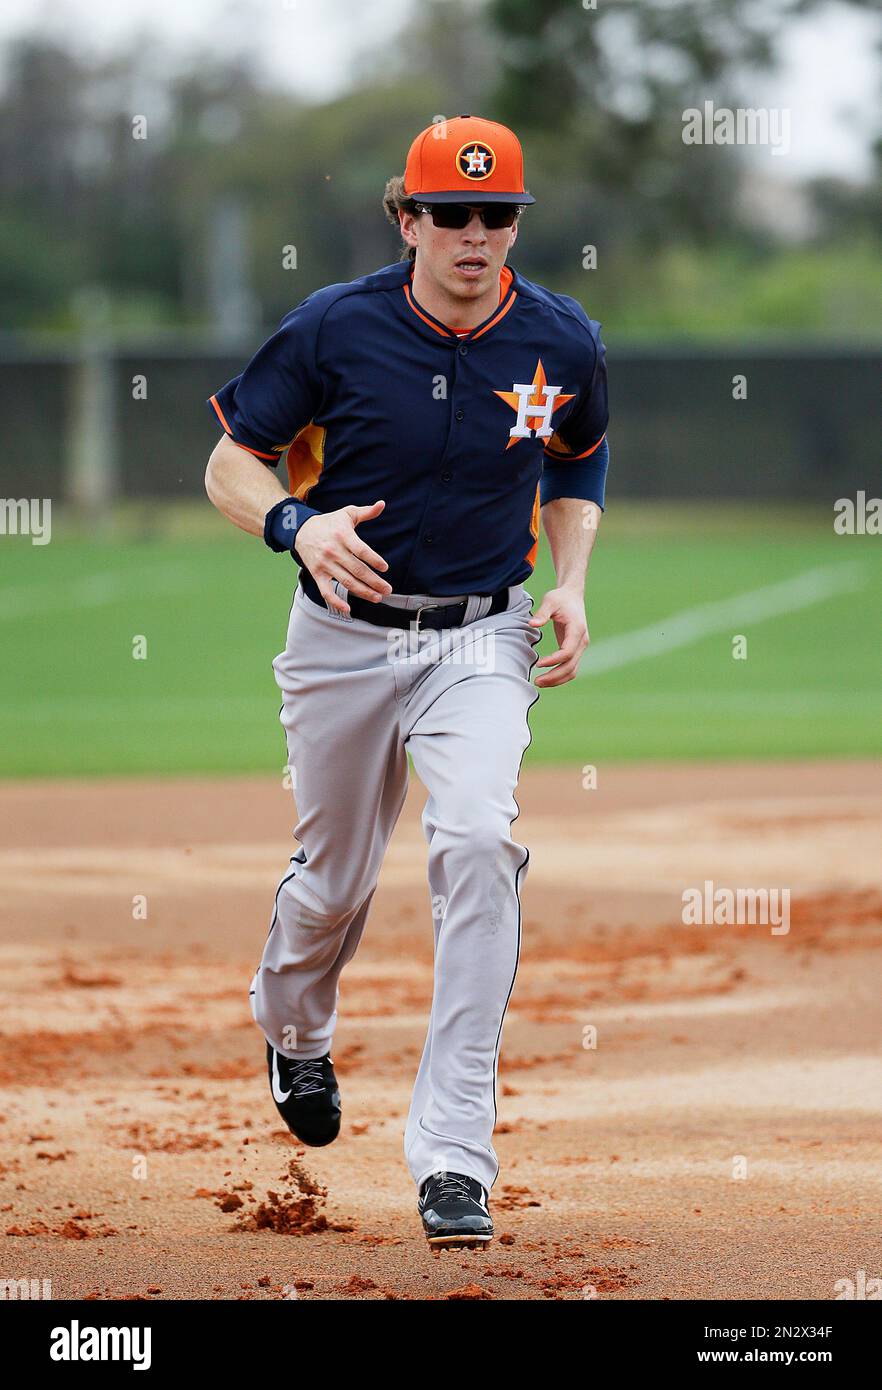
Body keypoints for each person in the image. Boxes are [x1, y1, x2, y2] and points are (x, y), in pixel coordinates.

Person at [204, 115, 609, 1250]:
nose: (476, 234)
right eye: (451, 213)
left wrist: (570, 579)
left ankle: (454, 1160)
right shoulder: (338, 328)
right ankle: (292, 1027)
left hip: (481, 637)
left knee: (476, 839)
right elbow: (229, 459)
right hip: (341, 637)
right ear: (407, 218)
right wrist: (294, 521)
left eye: (498, 214)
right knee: (333, 883)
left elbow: (579, 452)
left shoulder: (561, 338)